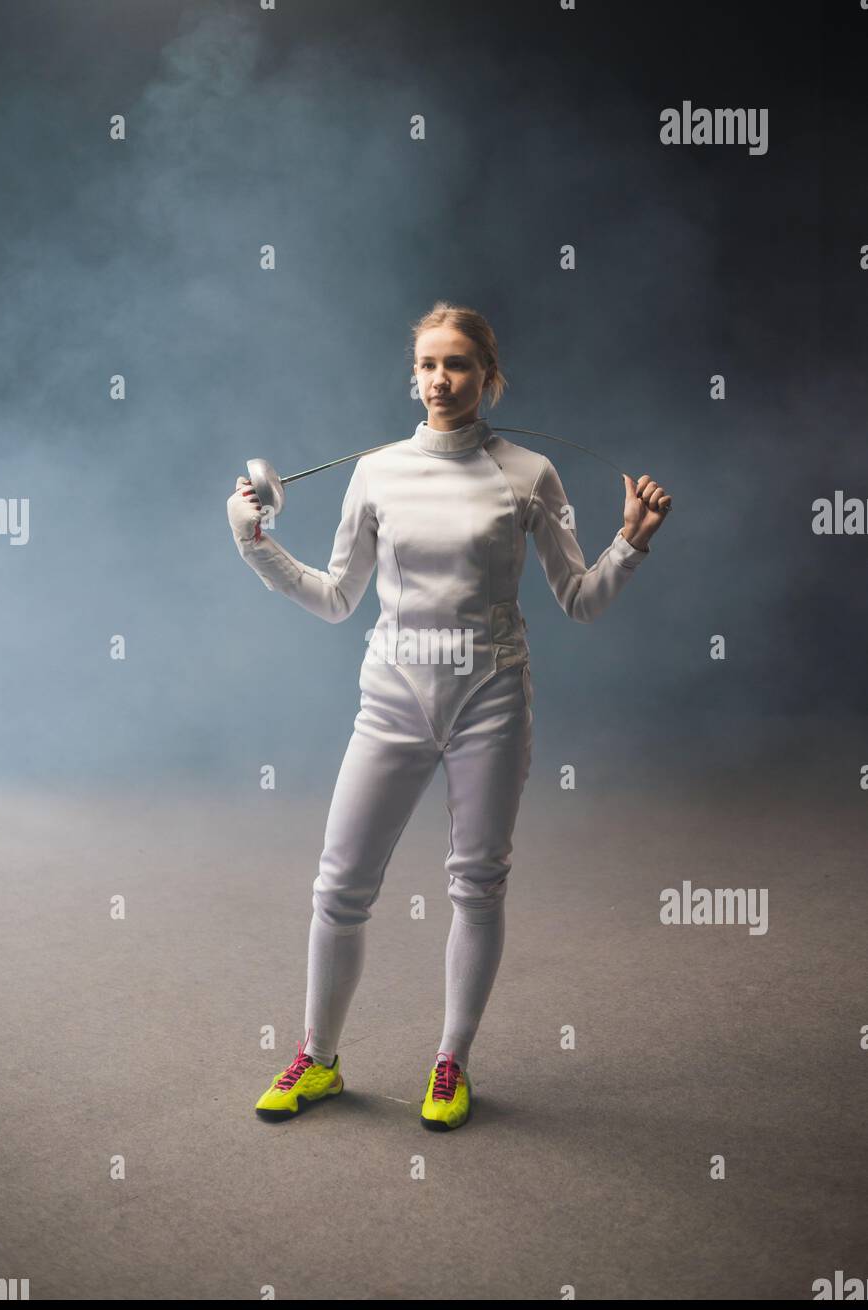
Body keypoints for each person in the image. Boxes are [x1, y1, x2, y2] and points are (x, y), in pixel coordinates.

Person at [226, 300, 670, 1131]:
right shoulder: (377, 472)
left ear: (487, 377)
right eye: (428, 364)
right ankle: (318, 1059)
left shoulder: (531, 474)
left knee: (477, 883)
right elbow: (336, 599)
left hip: (491, 697)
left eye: (458, 364)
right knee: (340, 884)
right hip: (392, 695)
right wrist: (257, 546)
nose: (441, 379)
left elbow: (578, 598)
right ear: (413, 377)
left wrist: (632, 542)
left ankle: (450, 1064)